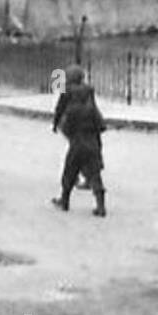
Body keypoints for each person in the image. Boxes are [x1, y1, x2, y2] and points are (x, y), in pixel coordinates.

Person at [51, 65, 107, 216]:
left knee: (70, 169)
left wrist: (55, 124)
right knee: (95, 172)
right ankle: (101, 205)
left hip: (77, 138)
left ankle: (64, 200)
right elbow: (96, 115)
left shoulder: (66, 90)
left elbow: (59, 108)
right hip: (92, 138)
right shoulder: (89, 91)